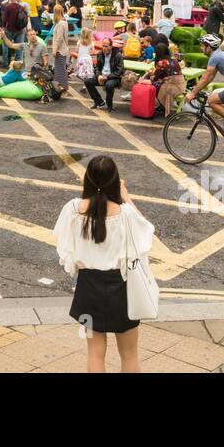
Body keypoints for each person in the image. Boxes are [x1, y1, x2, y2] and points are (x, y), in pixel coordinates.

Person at [53, 155, 154, 373]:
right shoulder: (125, 213)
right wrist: (126, 198)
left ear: (87, 179)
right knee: (129, 354)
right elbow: (145, 232)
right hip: (122, 288)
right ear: (114, 181)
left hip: (89, 288)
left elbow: (63, 246)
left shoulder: (72, 209)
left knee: (95, 352)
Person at [84, 37, 125, 111]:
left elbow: (120, 71)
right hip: (102, 76)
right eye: (103, 46)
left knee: (109, 85)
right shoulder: (100, 54)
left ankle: (109, 105)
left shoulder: (117, 55)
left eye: (106, 46)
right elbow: (97, 68)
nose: (104, 48)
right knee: (87, 81)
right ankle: (99, 102)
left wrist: (108, 77)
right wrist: (99, 75)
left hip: (113, 77)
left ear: (111, 47)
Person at [0, 0, 28, 67]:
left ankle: (5, 64)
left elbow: (4, 19)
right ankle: (19, 63)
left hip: (10, 29)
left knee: (5, 45)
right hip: (20, 29)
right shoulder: (21, 7)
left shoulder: (8, 7)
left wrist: (3, 28)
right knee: (19, 47)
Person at [50, 5, 71, 89]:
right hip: (63, 49)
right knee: (61, 70)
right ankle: (62, 87)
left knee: (60, 71)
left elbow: (59, 38)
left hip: (60, 50)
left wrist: (55, 50)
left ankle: (63, 88)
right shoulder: (64, 22)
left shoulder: (60, 24)